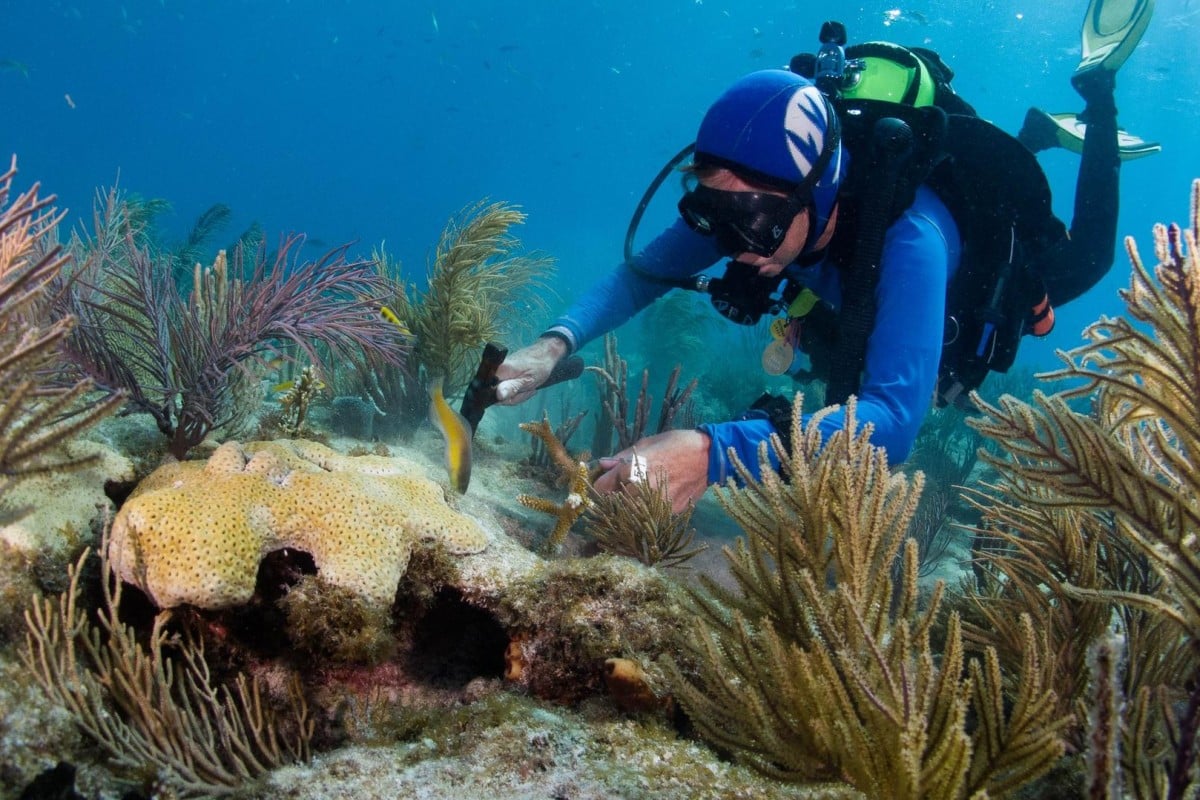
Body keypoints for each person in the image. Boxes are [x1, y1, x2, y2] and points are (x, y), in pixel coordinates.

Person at [494, 5, 1148, 514]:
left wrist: (710, 453)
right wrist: (554, 343)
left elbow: (894, 425)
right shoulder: (749, 201)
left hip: (973, 280)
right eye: (712, 211)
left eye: (757, 220)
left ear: (819, 190)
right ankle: (1034, 133)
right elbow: (641, 278)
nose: (736, 243)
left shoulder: (911, 240)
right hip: (843, 293)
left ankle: (1097, 91)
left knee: (1087, 261)